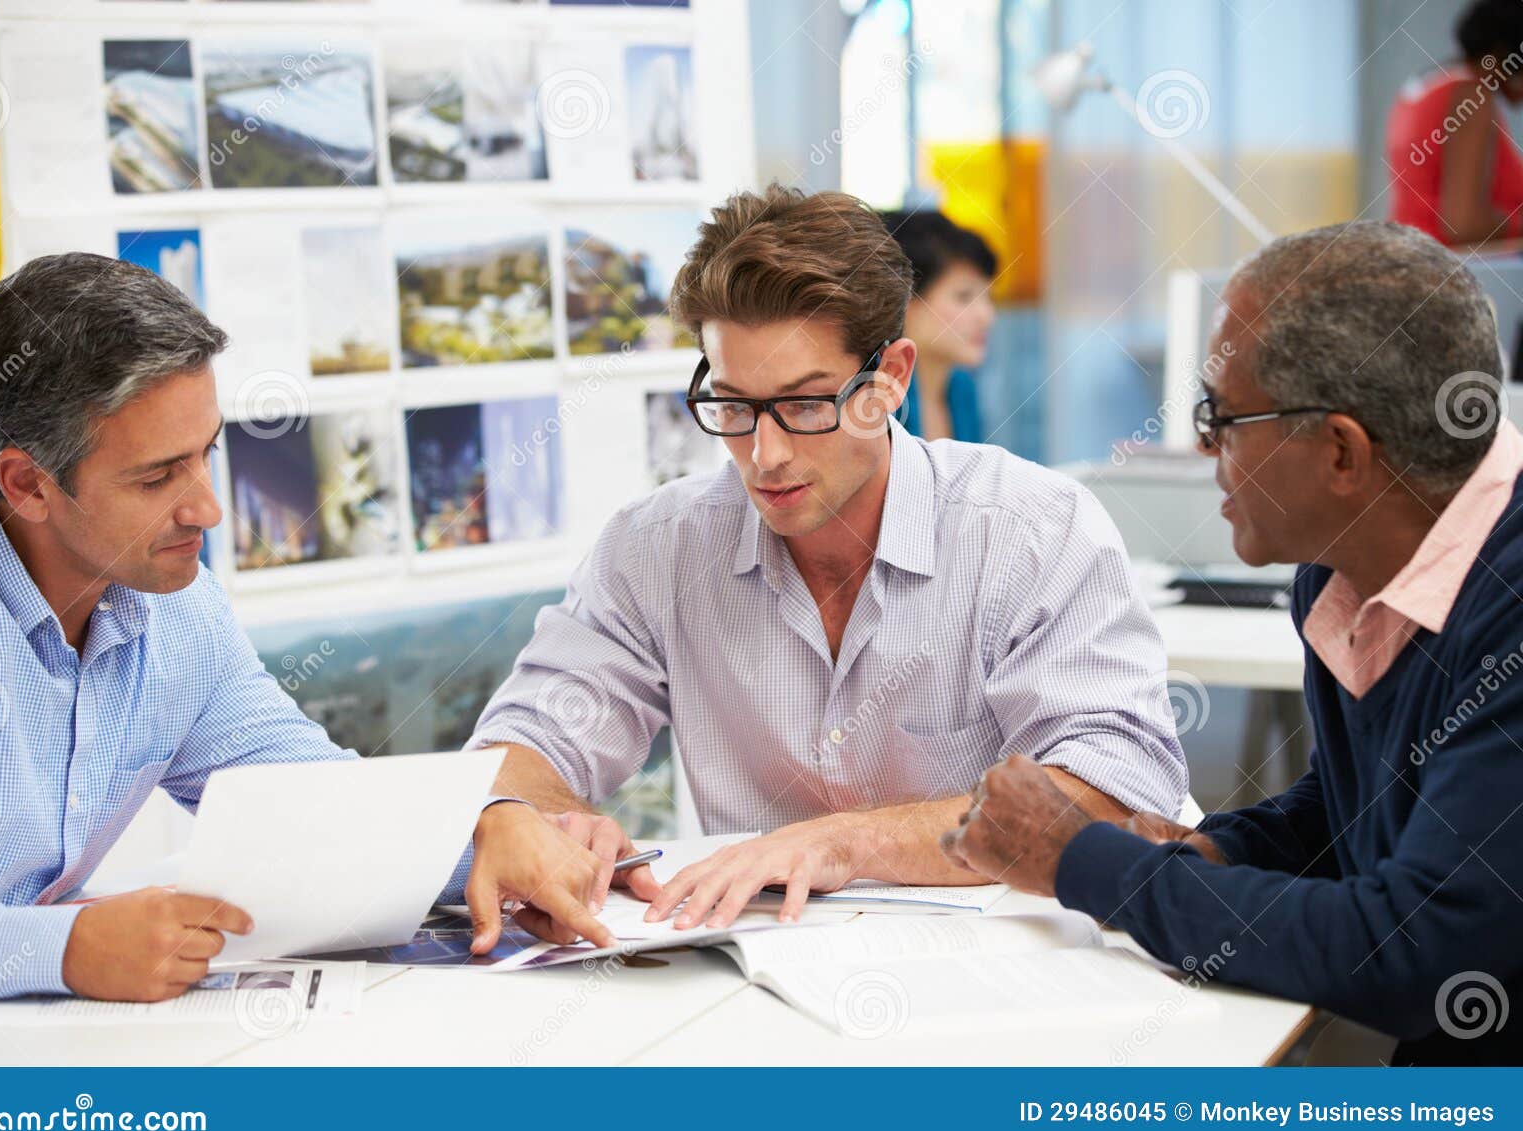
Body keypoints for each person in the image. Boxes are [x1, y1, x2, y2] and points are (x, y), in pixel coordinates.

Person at [463, 184, 1187, 934]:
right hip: (755, 988)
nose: (764, 455)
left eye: (807, 404)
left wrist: (847, 840)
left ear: (892, 378)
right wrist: (542, 815)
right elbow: (520, 746)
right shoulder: (658, 547)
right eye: (734, 405)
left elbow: (1119, 789)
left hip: (1001, 984)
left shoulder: (1031, 529)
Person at [0, 254, 619, 1004]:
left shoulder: (178, 612)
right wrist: (61, 950)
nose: (208, 510)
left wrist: (490, 828)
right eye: (157, 478)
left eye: (206, 454)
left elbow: (308, 799)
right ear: (27, 484)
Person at [942, 221, 1523, 1065]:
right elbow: (1352, 809)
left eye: (1222, 415)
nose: (1204, 445)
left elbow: (1417, 952)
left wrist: (1084, 861)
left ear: (1341, 451)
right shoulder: (1342, 570)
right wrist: (1221, 847)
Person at [1386, 0, 1523, 246]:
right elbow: (1462, 226)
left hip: (1411, 255)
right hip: (1445, 267)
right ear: (1503, 54)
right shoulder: (1471, 97)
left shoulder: (1429, 85)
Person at [879, 209, 998, 442]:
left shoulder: (962, 389)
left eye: (989, 297)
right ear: (905, 301)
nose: (987, 316)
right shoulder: (873, 398)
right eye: (964, 297)